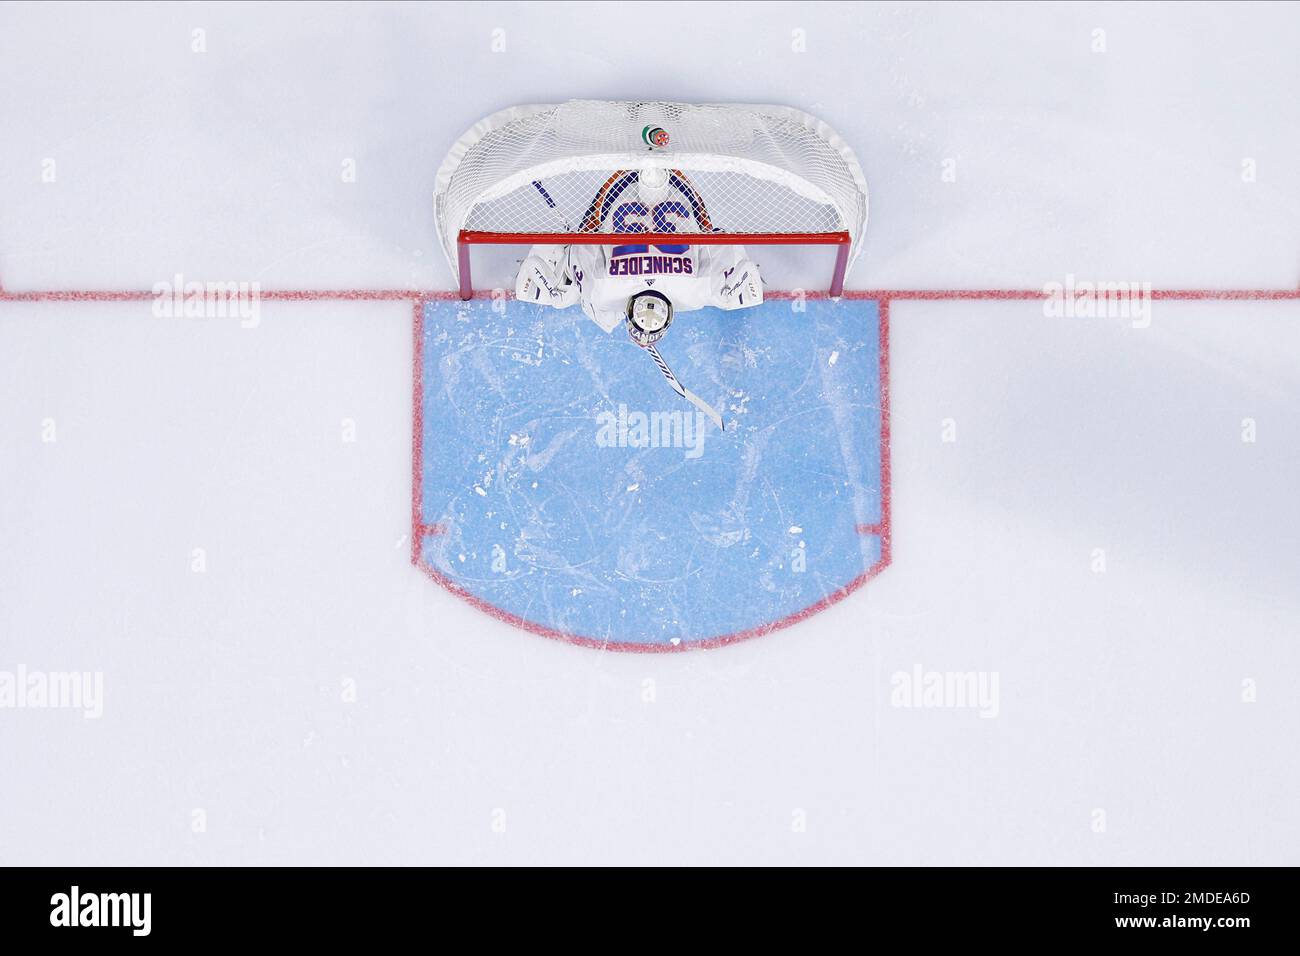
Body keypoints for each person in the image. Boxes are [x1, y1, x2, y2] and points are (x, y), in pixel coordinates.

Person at [514, 167, 763, 348]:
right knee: (557, 290)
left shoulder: (696, 292)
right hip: (624, 187)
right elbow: (579, 244)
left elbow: (723, 241)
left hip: (667, 184)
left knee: (733, 289)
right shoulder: (602, 289)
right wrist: (597, 306)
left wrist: (728, 291)